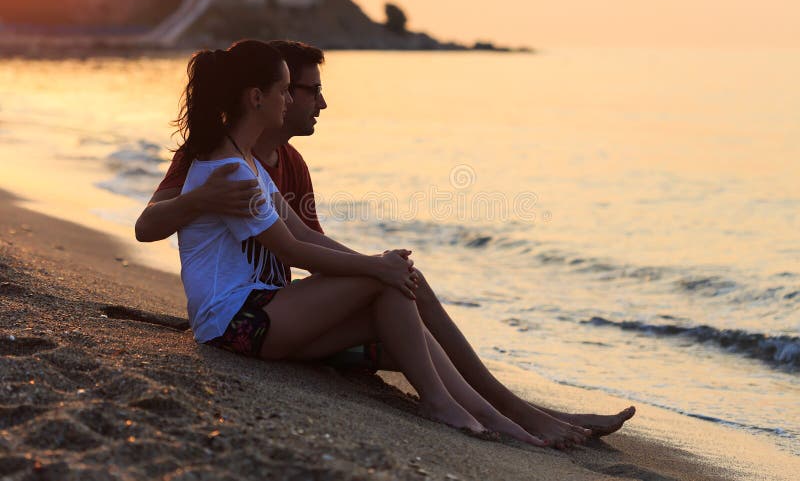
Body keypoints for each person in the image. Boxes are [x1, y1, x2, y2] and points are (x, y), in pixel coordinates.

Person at [137, 40, 635, 449]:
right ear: (256, 97)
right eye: (289, 90)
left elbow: (307, 235)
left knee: (400, 293)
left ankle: (491, 413)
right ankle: (460, 408)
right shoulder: (225, 170)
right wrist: (376, 270)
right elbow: (290, 251)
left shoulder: (251, 163)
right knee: (388, 286)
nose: (298, 100)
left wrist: (382, 266)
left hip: (264, 315)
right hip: (239, 321)